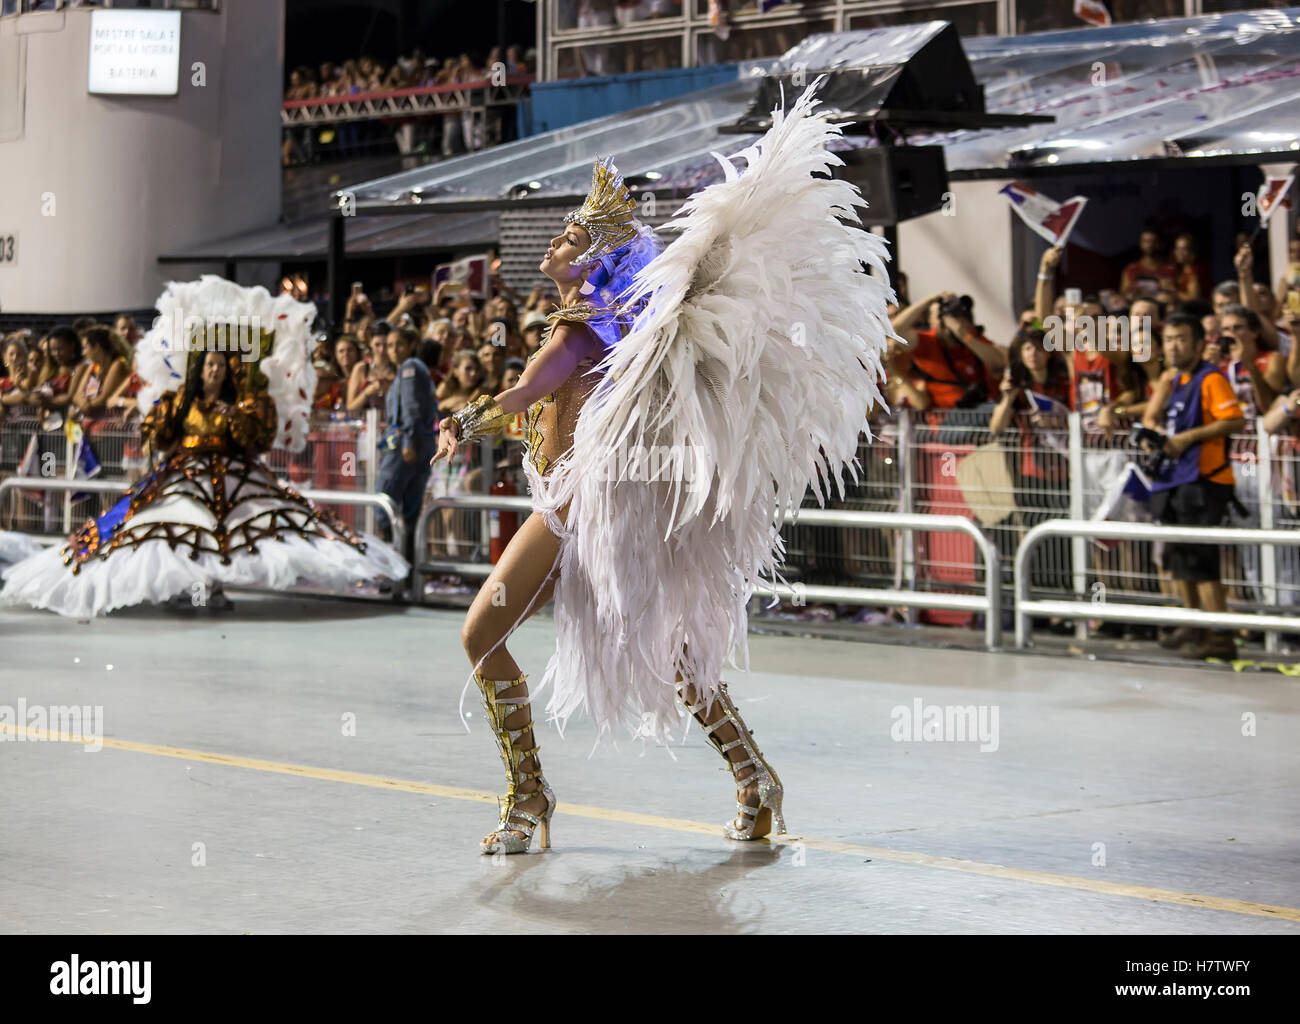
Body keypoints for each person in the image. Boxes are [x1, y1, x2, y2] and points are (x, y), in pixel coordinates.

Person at [431, 90, 890, 855]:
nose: (555, 240)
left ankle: (529, 799)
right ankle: (755, 780)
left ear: (592, 259)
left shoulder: (582, 329)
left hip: (579, 505)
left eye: (569, 233)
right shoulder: (602, 330)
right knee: (675, 654)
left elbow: (523, 393)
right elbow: (542, 410)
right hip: (591, 501)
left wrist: (463, 421)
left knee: (484, 633)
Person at [0, 279, 407, 617]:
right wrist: (160, 419)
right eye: (208, 364)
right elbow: (161, 437)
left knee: (229, 533)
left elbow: (258, 440)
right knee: (170, 526)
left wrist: (235, 415)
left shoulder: (244, 404)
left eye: (220, 364)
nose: (214, 370)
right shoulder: (181, 401)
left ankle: (210, 586)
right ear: (198, 368)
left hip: (234, 474)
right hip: (184, 472)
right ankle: (187, 586)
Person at [1136, 314, 1246, 660]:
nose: (1173, 345)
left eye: (1181, 339)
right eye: (1168, 339)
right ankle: (1193, 624)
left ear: (1199, 344)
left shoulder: (1210, 379)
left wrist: (1188, 438)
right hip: (1174, 481)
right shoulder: (1176, 380)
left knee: (1202, 561)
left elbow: (1235, 420)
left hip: (1205, 481)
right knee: (1178, 558)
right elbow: (1150, 420)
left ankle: (1220, 635)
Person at [376, 327, 438, 563]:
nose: (393, 350)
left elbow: (411, 408)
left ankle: (392, 568)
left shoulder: (410, 367)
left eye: (398, 344)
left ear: (411, 345)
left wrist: (409, 442)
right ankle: (408, 572)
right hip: (417, 444)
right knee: (409, 511)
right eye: (389, 345)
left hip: (405, 446)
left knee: (384, 504)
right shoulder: (410, 369)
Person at [1119, 228, 1177, 302]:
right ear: (1140, 244)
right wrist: (1131, 292)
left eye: (1153, 241)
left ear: (1160, 244)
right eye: (1146, 241)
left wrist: (1170, 289)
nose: (1149, 245)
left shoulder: (1171, 269)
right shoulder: (1131, 269)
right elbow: (1123, 294)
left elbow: (1177, 294)